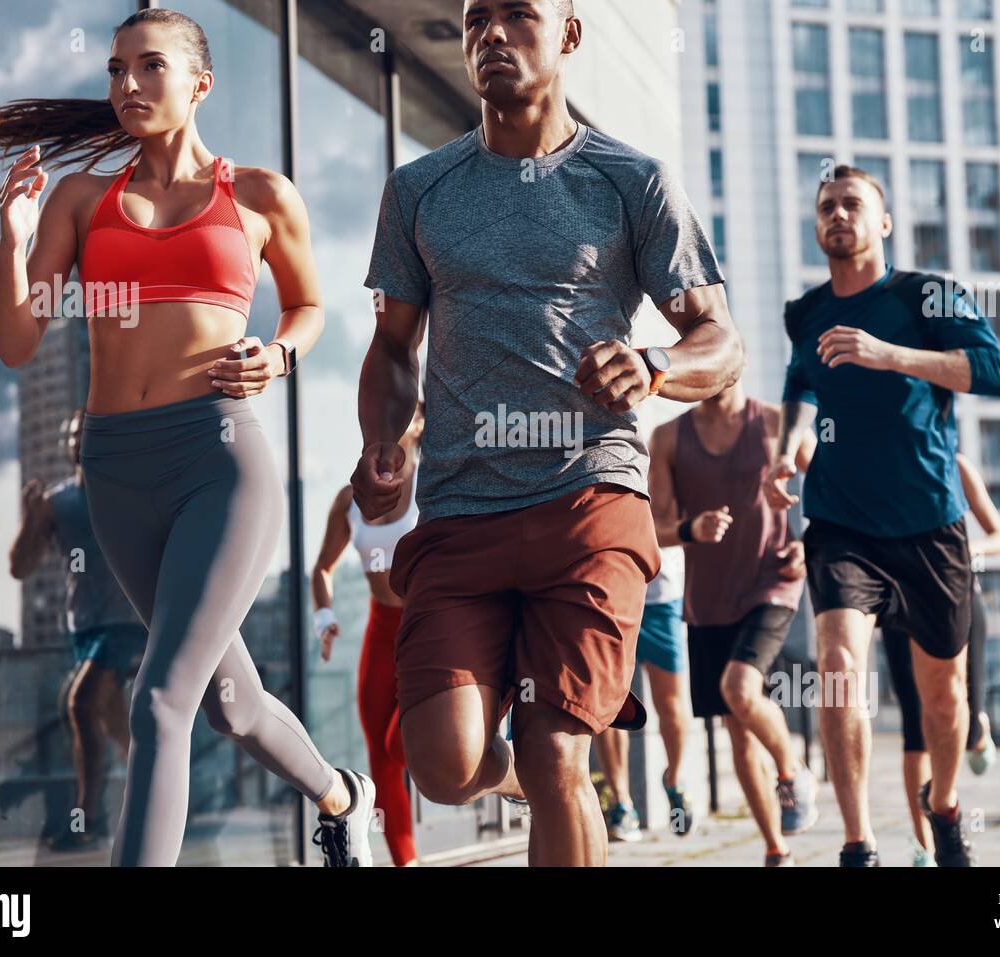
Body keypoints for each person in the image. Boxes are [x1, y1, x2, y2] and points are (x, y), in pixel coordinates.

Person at [0, 7, 373, 866]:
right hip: (115, 471)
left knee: (161, 700)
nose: (125, 85)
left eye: (148, 67)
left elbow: (308, 306)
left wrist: (278, 355)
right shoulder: (84, 201)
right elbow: (16, 340)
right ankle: (344, 795)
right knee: (230, 699)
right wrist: (12, 245)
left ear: (200, 83)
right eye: (116, 70)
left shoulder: (260, 195)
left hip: (218, 462)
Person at [352, 0, 743, 866]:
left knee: (559, 748)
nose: (492, 35)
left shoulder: (632, 180)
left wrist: (653, 367)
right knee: (444, 763)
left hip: (590, 502)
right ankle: (524, 776)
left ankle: (549, 770)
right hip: (459, 511)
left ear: (567, 35)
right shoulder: (419, 190)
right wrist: (385, 445)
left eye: (518, 16)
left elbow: (722, 342)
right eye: (475, 19)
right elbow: (390, 348)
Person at [765, 164, 1000, 867]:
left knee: (944, 699)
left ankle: (945, 806)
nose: (838, 214)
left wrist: (889, 355)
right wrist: (786, 453)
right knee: (839, 665)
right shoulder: (805, 312)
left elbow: (993, 372)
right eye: (826, 206)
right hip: (842, 521)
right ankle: (858, 842)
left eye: (853, 204)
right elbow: (799, 380)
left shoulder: (926, 296)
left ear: (884, 222)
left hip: (931, 520)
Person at [649, 380, 820, 866]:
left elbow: (835, 490)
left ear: (735, 363)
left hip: (772, 584)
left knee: (740, 689)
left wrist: (810, 545)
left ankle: (792, 770)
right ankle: (776, 848)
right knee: (737, 727)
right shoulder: (667, 438)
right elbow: (654, 527)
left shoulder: (775, 425)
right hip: (707, 601)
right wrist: (688, 529)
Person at [8, 409, 147, 851]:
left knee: (81, 703)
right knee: (109, 721)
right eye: (72, 434)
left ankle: (84, 817)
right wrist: (30, 518)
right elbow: (19, 567)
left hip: (127, 624)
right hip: (83, 627)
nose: (78, 440)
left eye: (85, 432)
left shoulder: (129, 492)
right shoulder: (56, 502)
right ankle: (153, 790)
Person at [312, 404, 425, 867]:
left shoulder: (433, 484)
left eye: (404, 414)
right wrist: (324, 617)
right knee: (380, 757)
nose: (390, 422)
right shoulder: (348, 498)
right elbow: (322, 567)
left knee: (403, 744)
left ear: (420, 425)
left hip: (427, 629)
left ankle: (500, 759)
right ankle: (406, 861)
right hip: (381, 630)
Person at [883, 451, 1000, 866]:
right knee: (914, 726)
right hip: (901, 603)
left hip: (958, 599)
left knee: (962, 717)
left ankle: (978, 730)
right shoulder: (876, 463)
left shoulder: (954, 464)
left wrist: (962, 549)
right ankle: (926, 844)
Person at [593, 545, 694, 842]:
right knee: (610, 704)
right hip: (612, 594)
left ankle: (674, 780)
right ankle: (623, 803)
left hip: (661, 598)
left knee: (671, 707)